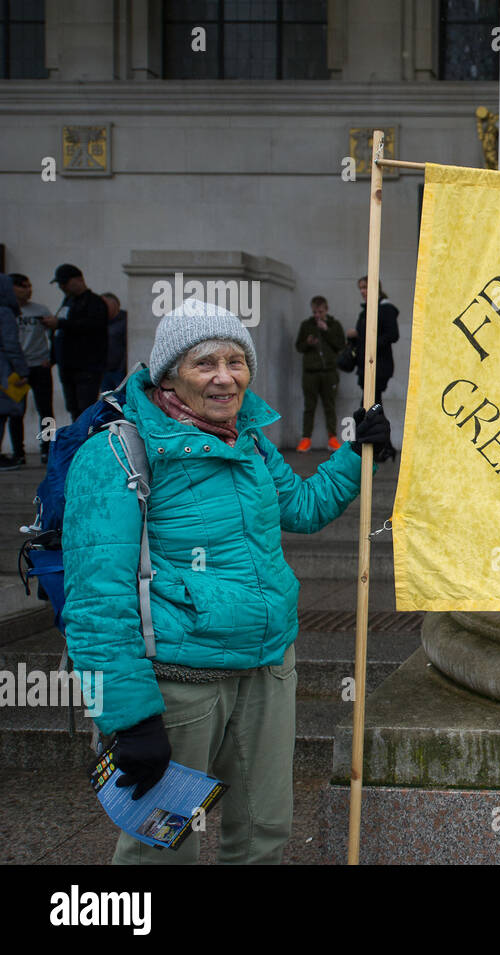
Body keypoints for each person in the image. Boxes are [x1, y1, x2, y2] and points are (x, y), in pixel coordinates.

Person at [60, 299, 392, 864]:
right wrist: (126, 715)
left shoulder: (252, 441)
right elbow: (95, 603)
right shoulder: (116, 451)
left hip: (266, 669)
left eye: (236, 361)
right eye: (204, 363)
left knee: (264, 835)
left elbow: (305, 508)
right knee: (161, 850)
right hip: (179, 685)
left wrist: (359, 453)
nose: (224, 377)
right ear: (168, 375)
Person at [43, 263, 108, 420]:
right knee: (73, 409)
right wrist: (52, 358)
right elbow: (59, 334)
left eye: (65, 283)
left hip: (86, 367)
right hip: (67, 366)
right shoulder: (67, 302)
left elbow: (92, 326)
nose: (62, 287)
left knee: (85, 409)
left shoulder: (94, 302)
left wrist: (60, 324)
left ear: (78, 279)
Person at [9, 274, 56, 464]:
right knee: (15, 412)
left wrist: (51, 358)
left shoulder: (40, 310)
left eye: (29, 286)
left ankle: (48, 448)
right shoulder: (6, 312)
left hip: (39, 366)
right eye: (23, 286)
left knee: (45, 410)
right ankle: (18, 452)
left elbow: (55, 336)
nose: (28, 289)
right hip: (17, 369)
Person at [295, 295, 346, 452]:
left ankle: (332, 438)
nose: (317, 315)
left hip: (329, 372)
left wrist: (327, 331)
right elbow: (298, 346)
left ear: (326, 309)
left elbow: (341, 345)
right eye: (315, 312)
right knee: (309, 406)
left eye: (320, 311)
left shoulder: (334, 325)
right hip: (311, 372)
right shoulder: (306, 325)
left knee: (329, 405)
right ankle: (306, 439)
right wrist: (308, 343)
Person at [348, 276, 400, 405]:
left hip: (379, 365)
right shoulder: (365, 311)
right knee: (372, 406)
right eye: (360, 288)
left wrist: (371, 343)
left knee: (370, 405)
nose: (362, 291)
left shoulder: (385, 309)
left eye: (365, 287)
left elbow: (393, 335)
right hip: (365, 365)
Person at [0, 275, 30, 470]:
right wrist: (22, 370)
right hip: (4, 371)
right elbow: (10, 345)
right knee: (3, 413)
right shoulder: (4, 312)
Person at [101, 293, 129, 392]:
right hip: (104, 371)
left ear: (114, 304)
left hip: (120, 372)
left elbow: (128, 347)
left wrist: (123, 368)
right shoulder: (101, 322)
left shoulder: (126, 321)